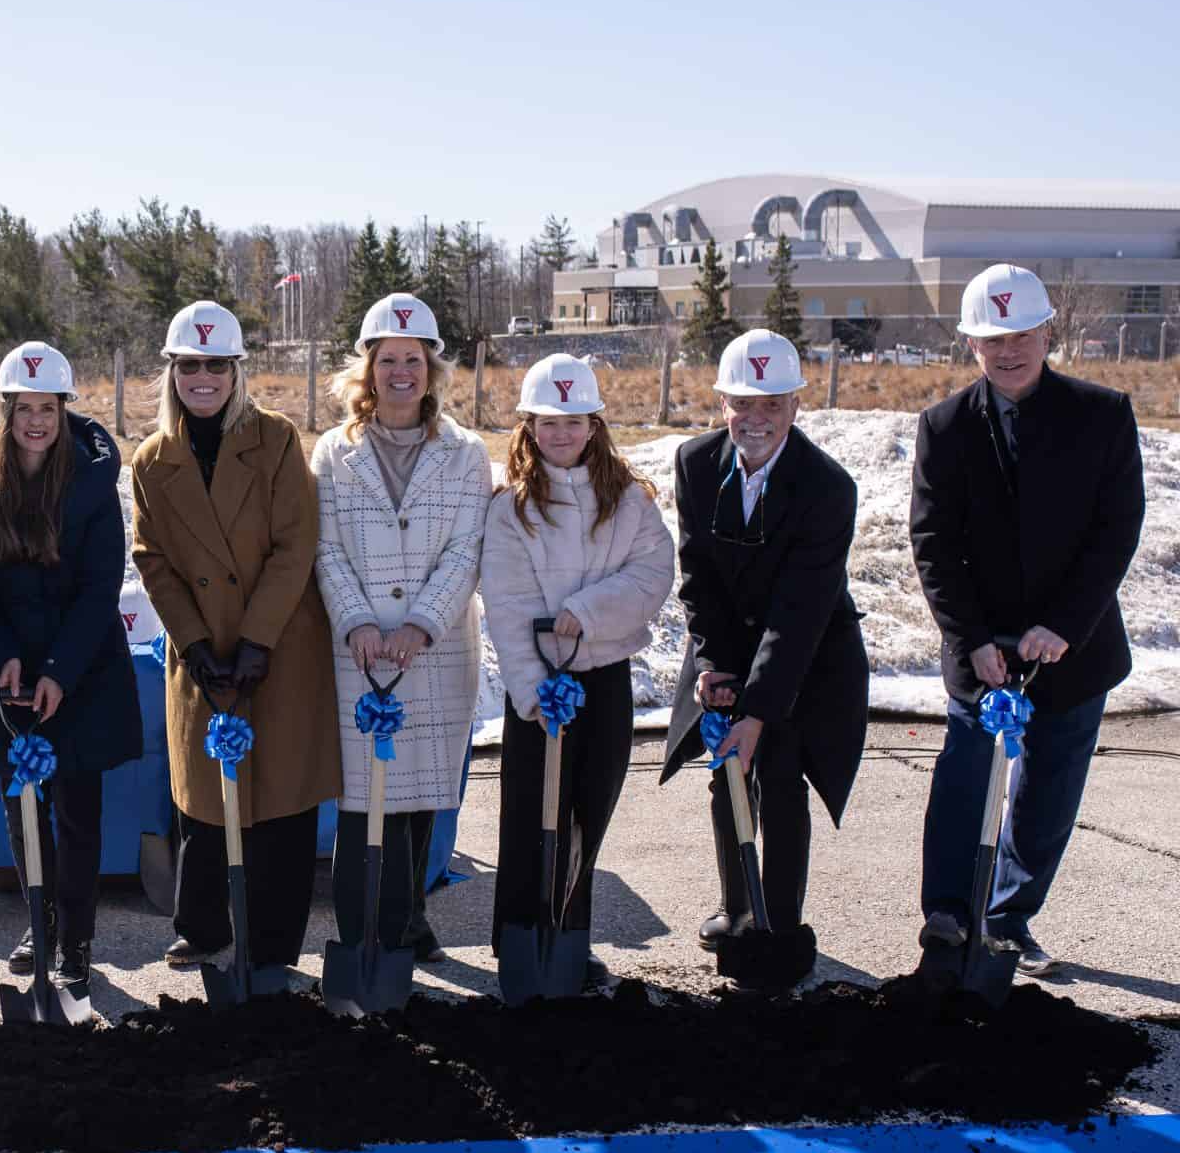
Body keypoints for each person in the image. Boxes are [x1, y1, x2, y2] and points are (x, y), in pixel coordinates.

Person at [910, 264, 1145, 976]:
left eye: (1019, 334)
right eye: (989, 338)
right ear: (970, 345)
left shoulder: (1103, 416)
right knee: (963, 780)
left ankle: (1010, 917)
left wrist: (1063, 626)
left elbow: (1116, 530)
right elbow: (933, 542)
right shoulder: (944, 427)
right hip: (980, 646)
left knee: (1046, 794)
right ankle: (948, 916)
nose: (1007, 350)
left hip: (1074, 646)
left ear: (1049, 331)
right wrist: (972, 638)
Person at [130, 300, 340, 988]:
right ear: (173, 372)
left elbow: (294, 544)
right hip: (203, 650)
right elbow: (152, 557)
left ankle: (274, 941)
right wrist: (193, 644)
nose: (203, 377)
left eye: (216, 364)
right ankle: (202, 926)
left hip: (276, 645)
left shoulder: (275, 438)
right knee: (205, 803)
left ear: (235, 371)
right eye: (189, 364)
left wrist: (255, 641)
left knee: (280, 797)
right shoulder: (152, 458)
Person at [659, 329, 868, 961]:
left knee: (778, 773)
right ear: (722, 401)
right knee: (727, 772)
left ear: (795, 406)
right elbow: (698, 575)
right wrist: (716, 667)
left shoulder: (828, 487)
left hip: (805, 656)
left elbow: (801, 611)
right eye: (742, 404)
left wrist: (757, 709)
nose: (756, 419)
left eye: (772, 405)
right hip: (729, 643)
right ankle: (736, 904)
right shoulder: (697, 464)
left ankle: (778, 919)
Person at [481, 354, 673, 981]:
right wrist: (534, 692)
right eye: (547, 422)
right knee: (531, 814)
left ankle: (570, 937)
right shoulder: (511, 509)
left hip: (603, 676)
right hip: (537, 686)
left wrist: (585, 613)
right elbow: (507, 605)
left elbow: (652, 576)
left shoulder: (630, 501)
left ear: (595, 424)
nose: (561, 434)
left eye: (574, 421)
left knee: (588, 811)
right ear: (528, 427)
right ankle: (519, 937)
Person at [0, 343, 139, 983]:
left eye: (47, 408)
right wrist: (3, 657)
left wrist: (59, 669)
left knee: (76, 814)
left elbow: (100, 582)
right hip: (8, 667)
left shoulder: (89, 472)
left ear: (63, 410)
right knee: (21, 808)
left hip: (79, 664)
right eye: (23, 407)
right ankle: (41, 927)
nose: (35, 420)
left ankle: (77, 942)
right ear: (6, 409)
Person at [310, 293, 489, 964]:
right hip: (357, 650)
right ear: (368, 368)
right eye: (388, 360)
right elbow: (324, 548)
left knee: (418, 798)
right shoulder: (333, 452)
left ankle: (410, 917)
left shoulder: (466, 453)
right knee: (364, 800)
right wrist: (356, 620)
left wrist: (421, 624)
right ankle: (362, 933)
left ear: (432, 367)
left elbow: (467, 549)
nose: (401, 372)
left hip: (434, 649)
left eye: (413, 359)